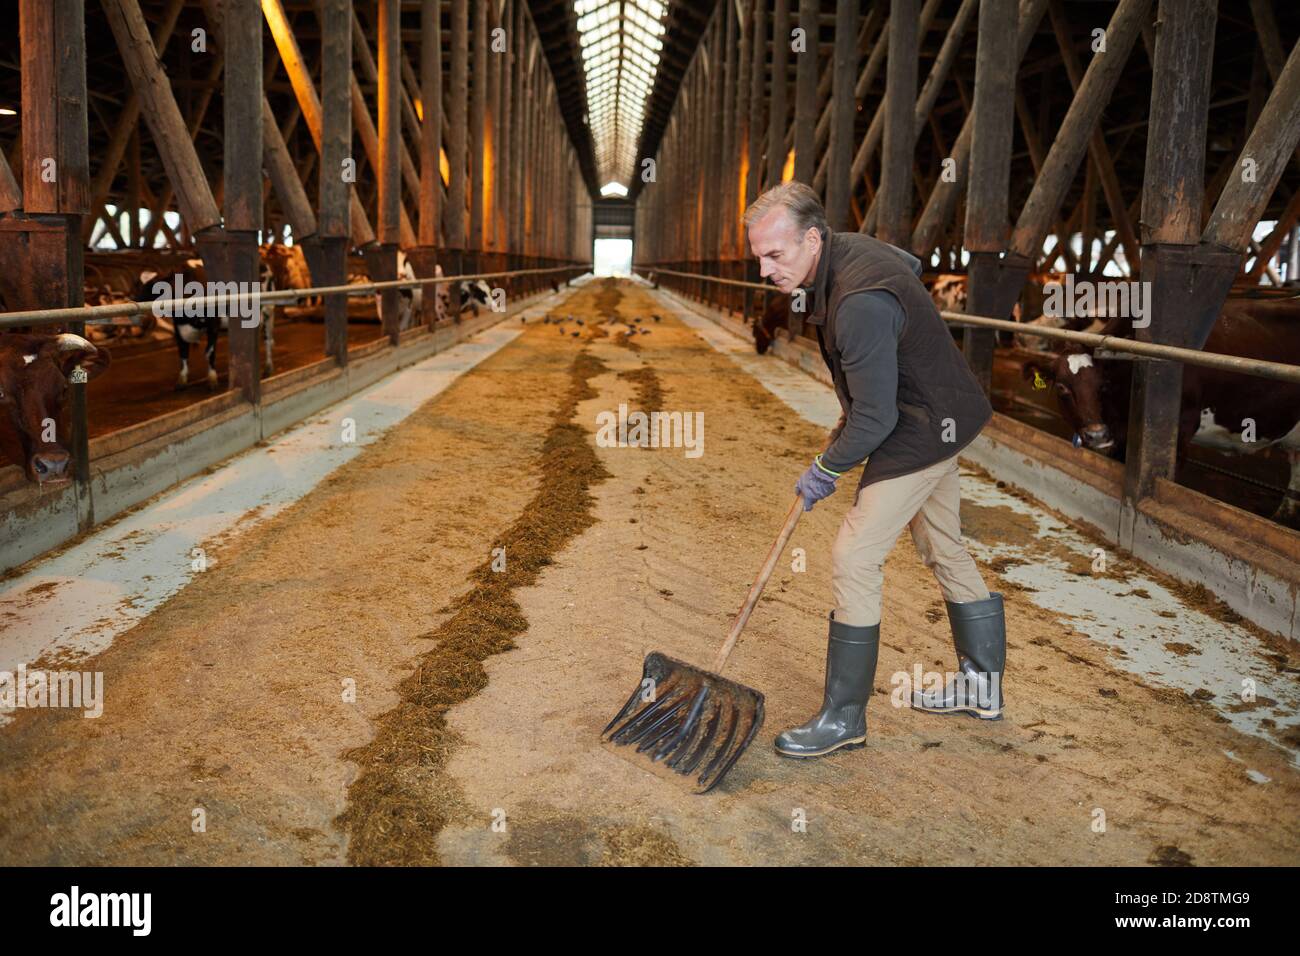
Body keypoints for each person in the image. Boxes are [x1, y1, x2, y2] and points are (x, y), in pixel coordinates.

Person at [743, 181, 1006, 759]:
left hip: (917, 426)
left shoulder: (859, 301)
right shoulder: (843, 253)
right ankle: (982, 688)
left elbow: (876, 419)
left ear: (813, 239)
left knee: (854, 556)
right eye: (758, 256)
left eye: (776, 255)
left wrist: (824, 468)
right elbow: (905, 268)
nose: (764, 269)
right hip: (947, 414)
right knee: (945, 547)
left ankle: (843, 718)